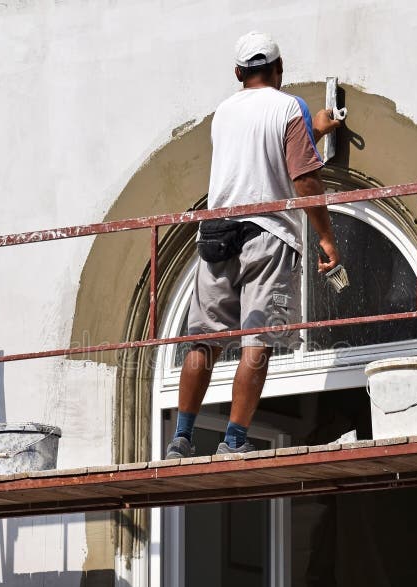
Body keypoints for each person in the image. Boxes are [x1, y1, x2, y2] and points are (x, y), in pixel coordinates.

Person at [166, 30, 342, 458]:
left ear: (238, 73)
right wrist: (325, 238)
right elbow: (302, 177)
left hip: (216, 234)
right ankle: (234, 440)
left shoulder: (222, 114)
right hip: (267, 234)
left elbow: (254, 157)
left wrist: (311, 132)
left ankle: (181, 438)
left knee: (203, 341)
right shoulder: (287, 107)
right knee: (256, 340)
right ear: (279, 70)